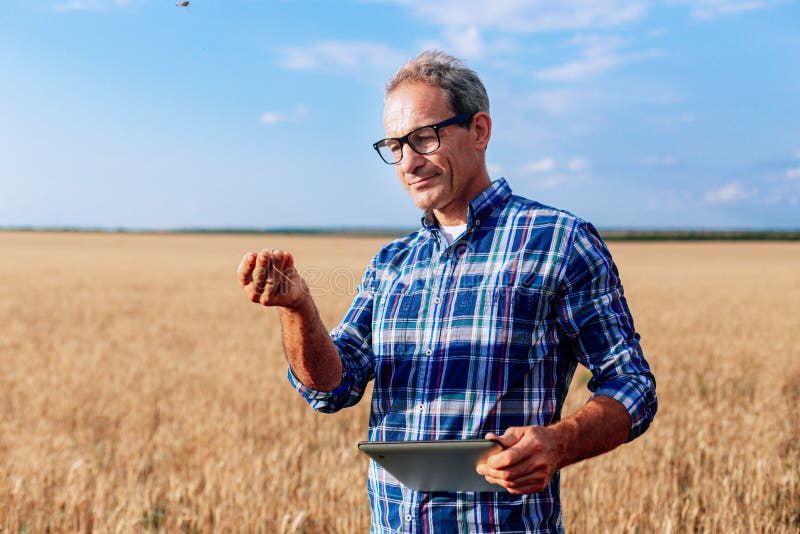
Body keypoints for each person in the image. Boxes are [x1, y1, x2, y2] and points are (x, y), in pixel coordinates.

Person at [237, 50, 657, 533]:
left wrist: (557, 443)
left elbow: (632, 384)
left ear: (479, 130)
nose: (409, 162)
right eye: (395, 146)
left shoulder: (558, 241)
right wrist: (297, 307)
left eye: (424, 137)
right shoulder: (393, 262)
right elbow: (332, 387)